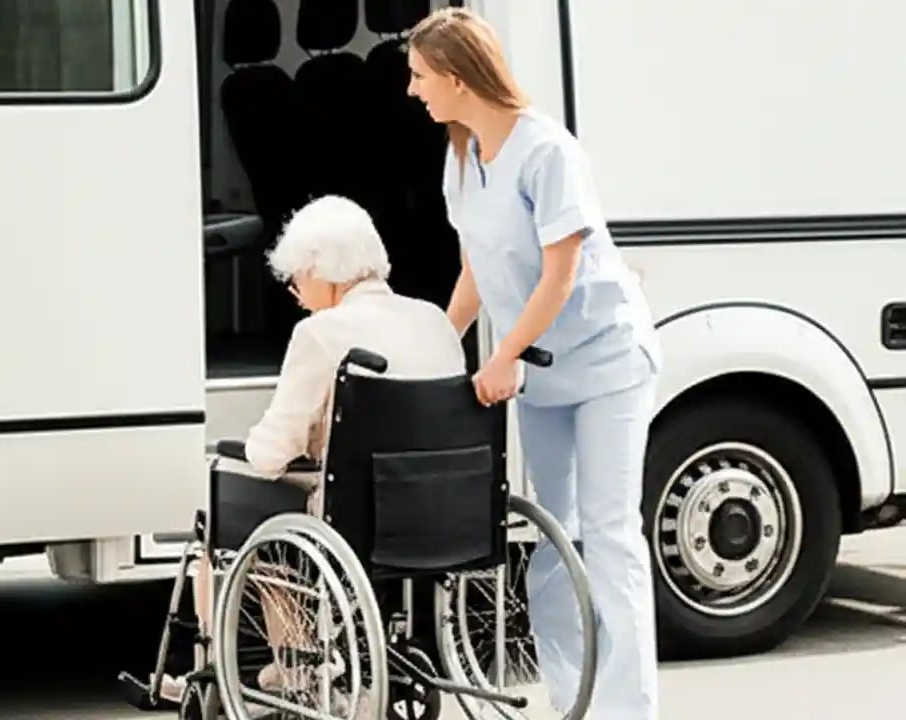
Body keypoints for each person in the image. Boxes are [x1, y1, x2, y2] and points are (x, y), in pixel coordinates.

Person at [406, 8, 663, 719]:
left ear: (457, 79)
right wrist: (428, 346)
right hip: (546, 374)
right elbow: (476, 271)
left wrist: (503, 354)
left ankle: (627, 710)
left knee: (610, 537)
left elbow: (559, 275)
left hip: (608, 362)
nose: (411, 90)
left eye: (419, 76)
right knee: (554, 540)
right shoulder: (462, 156)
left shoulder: (547, 152)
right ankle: (570, 696)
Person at [158, 194, 467, 705]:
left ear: (326, 270)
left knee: (228, 508)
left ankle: (273, 664)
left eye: (298, 276)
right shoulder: (434, 320)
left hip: (354, 518)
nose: (296, 291)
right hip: (444, 512)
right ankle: (302, 660)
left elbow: (271, 453)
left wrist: (242, 450)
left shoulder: (321, 333)